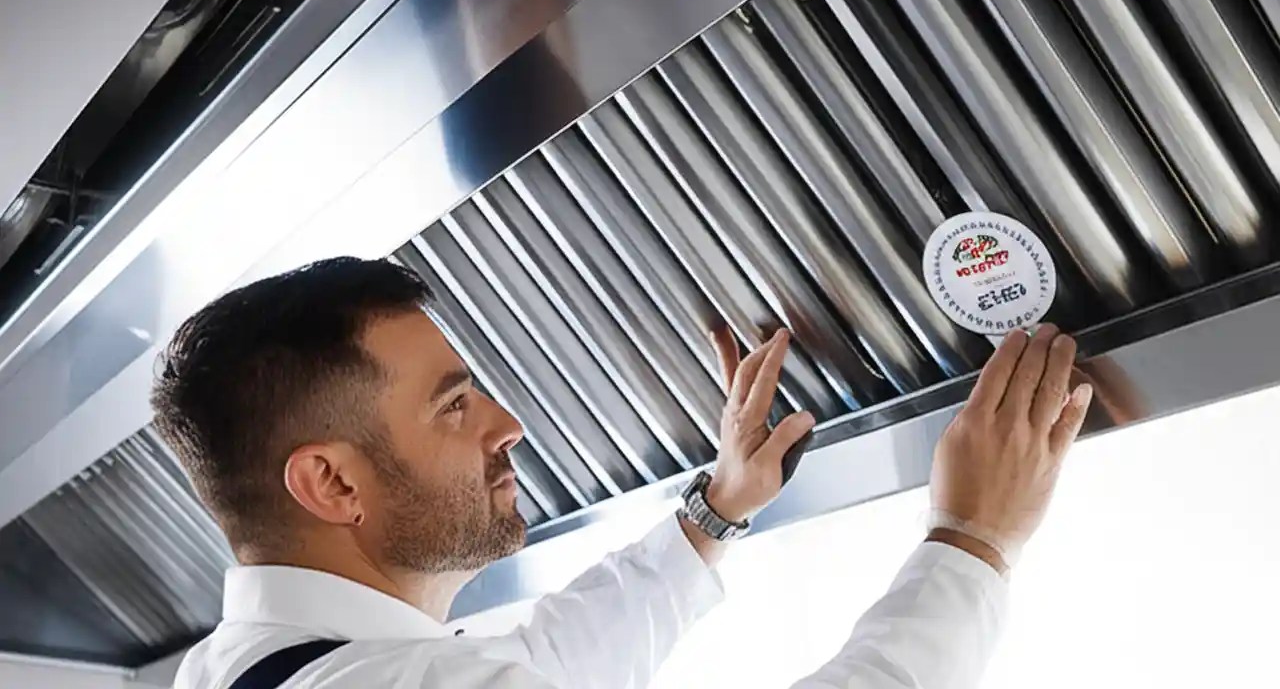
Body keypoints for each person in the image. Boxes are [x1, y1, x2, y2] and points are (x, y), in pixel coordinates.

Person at [154, 257, 1093, 689]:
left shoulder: (249, 666)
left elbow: (547, 661)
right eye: (452, 405)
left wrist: (716, 512)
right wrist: (974, 540)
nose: (509, 425)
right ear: (333, 485)